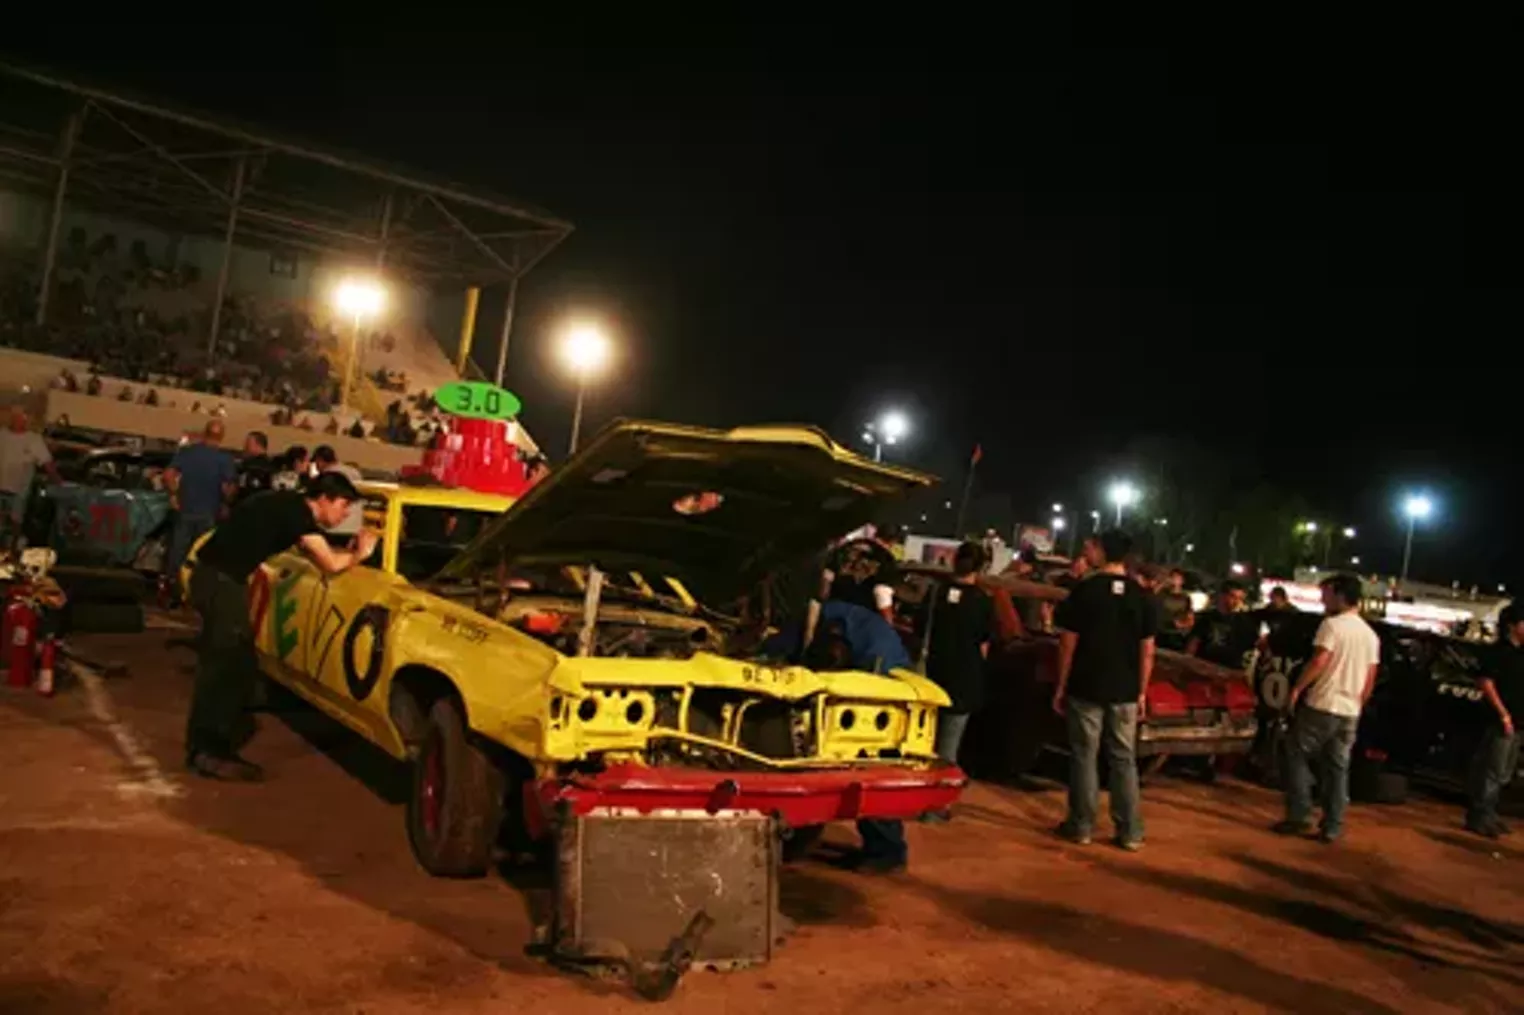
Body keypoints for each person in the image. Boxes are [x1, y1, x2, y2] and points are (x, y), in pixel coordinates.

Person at [184, 472, 377, 780]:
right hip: (221, 583)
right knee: (229, 666)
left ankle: (206, 746)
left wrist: (345, 553)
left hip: (210, 577)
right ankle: (210, 752)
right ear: (323, 499)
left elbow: (312, 553)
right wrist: (361, 553)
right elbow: (330, 564)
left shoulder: (285, 506)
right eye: (343, 506)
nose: (344, 515)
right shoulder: (299, 517)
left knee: (228, 663)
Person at [1051, 528, 1157, 851]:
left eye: (1090, 547)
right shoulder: (1142, 597)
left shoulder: (1084, 592)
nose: (1087, 552)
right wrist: (1141, 690)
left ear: (1101, 552)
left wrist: (1061, 684)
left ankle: (1081, 825)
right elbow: (1147, 649)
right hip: (1124, 690)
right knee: (1124, 758)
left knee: (1085, 755)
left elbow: (1068, 642)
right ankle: (1130, 831)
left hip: (1087, 685)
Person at [1275, 573, 1380, 843]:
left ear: (1339, 594)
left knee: (1296, 753)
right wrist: (1359, 702)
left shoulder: (1332, 626)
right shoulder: (1370, 635)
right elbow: (1369, 677)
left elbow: (1320, 660)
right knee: (1338, 768)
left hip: (1323, 703)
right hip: (1349, 710)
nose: (1322, 599)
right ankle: (1333, 825)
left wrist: (1297, 689)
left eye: (1325, 593)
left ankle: (1300, 815)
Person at [921, 541, 993, 818]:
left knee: (927, 741)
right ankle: (936, 806)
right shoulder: (982, 601)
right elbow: (984, 643)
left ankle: (921, 798)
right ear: (980, 567)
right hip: (965, 676)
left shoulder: (936, 593)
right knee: (948, 745)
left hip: (933, 673)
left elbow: (919, 629)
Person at [1466, 603, 1522, 838]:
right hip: (1501, 720)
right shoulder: (1498, 652)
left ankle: (1490, 813)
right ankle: (1480, 815)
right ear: (1512, 626)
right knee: (1492, 769)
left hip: (1518, 721)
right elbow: (1485, 682)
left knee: (1504, 772)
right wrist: (1503, 714)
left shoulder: (1520, 654)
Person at [164, 420, 237, 585]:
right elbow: (228, 489)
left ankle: (171, 587)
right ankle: (194, 589)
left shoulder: (188, 452)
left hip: (185, 509)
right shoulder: (224, 459)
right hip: (209, 513)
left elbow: (168, 475)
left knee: (178, 552)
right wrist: (227, 503)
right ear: (222, 437)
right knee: (201, 556)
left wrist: (174, 495)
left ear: (205, 433)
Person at [0, 406, 61, 550]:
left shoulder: (33, 439)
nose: (18, 421)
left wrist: (58, 481)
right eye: (15, 417)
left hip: (19, 490)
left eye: (21, 418)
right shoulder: (2, 435)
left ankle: (13, 550)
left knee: (16, 521)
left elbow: (47, 462)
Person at [1186, 581, 1259, 671]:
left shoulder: (1244, 622)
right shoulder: (1206, 618)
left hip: (1231, 671)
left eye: (1240, 598)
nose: (1237, 601)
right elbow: (1194, 643)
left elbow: (1253, 646)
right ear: (1222, 596)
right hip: (1205, 668)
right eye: (1233, 596)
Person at [312, 445, 365, 537]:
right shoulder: (355, 472)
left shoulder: (326, 476)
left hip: (333, 530)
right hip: (355, 527)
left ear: (319, 461)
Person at [235, 431, 276, 503]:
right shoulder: (272, 466)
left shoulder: (247, 466)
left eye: (248, 444)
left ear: (258, 445)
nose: (244, 447)